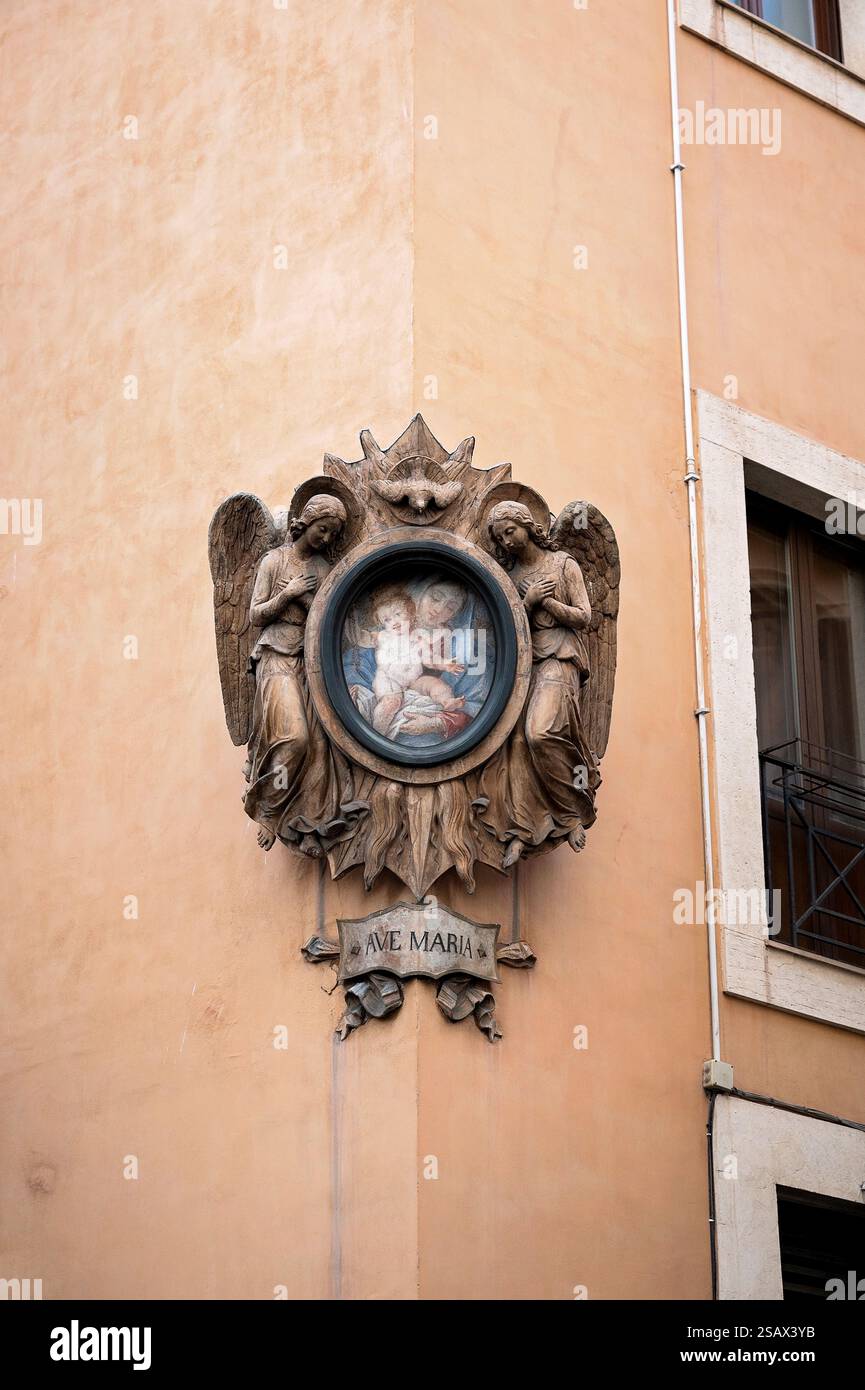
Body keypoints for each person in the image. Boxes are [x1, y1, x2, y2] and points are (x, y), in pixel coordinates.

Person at [478, 500, 599, 865]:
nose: (508, 541)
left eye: (510, 531)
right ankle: (519, 829)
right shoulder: (510, 578)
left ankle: (573, 810)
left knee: (541, 733)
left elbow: (584, 616)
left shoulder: (563, 564)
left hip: (560, 660)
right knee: (513, 744)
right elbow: (502, 634)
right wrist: (527, 603)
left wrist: (548, 606)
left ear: (527, 526)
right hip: (524, 668)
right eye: (501, 537)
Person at [243, 494, 364, 854]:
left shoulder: (324, 570)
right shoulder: (274, 560)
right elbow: (255, 615)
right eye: (322, 529)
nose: (325, 538)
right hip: (276, 654)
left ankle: (309, 817)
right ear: (306, 523)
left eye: (332, 534)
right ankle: (267, 807)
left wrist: (305, 600)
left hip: (312, 661)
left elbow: (329, 619)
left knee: (320, 745)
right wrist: (287, 596)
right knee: (294, 736)